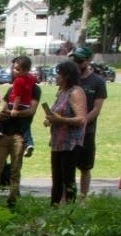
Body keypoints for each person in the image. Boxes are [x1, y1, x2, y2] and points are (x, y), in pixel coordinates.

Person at [0, 56, 41, 207]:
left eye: (16, 68)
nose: (13, 71)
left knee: (15, 169)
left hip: (19, 134)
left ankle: (12, 199)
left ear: (26, 70)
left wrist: (15, 113)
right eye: (13, 68)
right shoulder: (12, 88)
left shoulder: (35, 89)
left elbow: (31, 111)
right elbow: (2, 108)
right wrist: (1, 113)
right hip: (3, 134)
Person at [43, 59, 86, 206]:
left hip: (70, 143)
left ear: (67, 76)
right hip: (57, 142)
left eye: (58, 74)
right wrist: (51, 119)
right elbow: (57, 114)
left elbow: (81, 119)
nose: (56, 77)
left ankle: (70, 209)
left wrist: (60, 119)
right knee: (56, 179)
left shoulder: (75, 92)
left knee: (68, 179)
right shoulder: (61, 92)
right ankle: (54, 208)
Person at [70, 46, 107, 198]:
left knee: (85, 167)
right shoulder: (71, 79)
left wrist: (82, 122)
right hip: (69, 130)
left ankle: (83, 197)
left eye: (79, 60)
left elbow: (96, 109)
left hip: (87, 130)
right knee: (68, 165)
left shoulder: (97, 82)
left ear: (88, 61)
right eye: (74, 60)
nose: (76, 63)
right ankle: (67, 196)